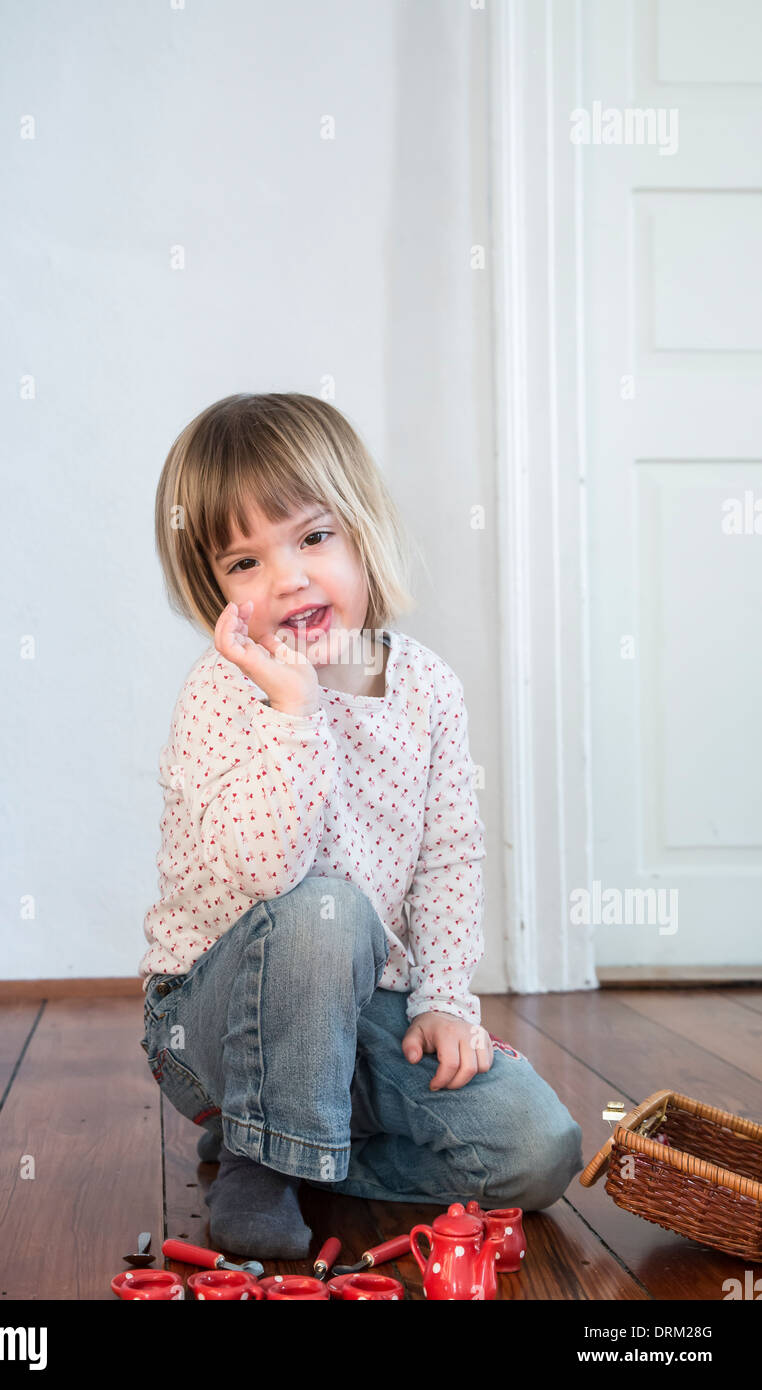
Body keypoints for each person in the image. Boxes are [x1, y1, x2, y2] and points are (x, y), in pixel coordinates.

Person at [139, 392, 584, 1257]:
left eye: (312, 538)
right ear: (215, 590)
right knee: (328, 906)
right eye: (244, 563)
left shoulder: (425, 689)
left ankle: (273, 1137)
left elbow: (449, 858)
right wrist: (294, 709)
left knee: (541, 1151)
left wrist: (447, 1001)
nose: (288, 579)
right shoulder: (223, 695)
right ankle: (261, 1164)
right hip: (213, 1024)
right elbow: (270, 874)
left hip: (361, 1015)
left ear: (361, 531)